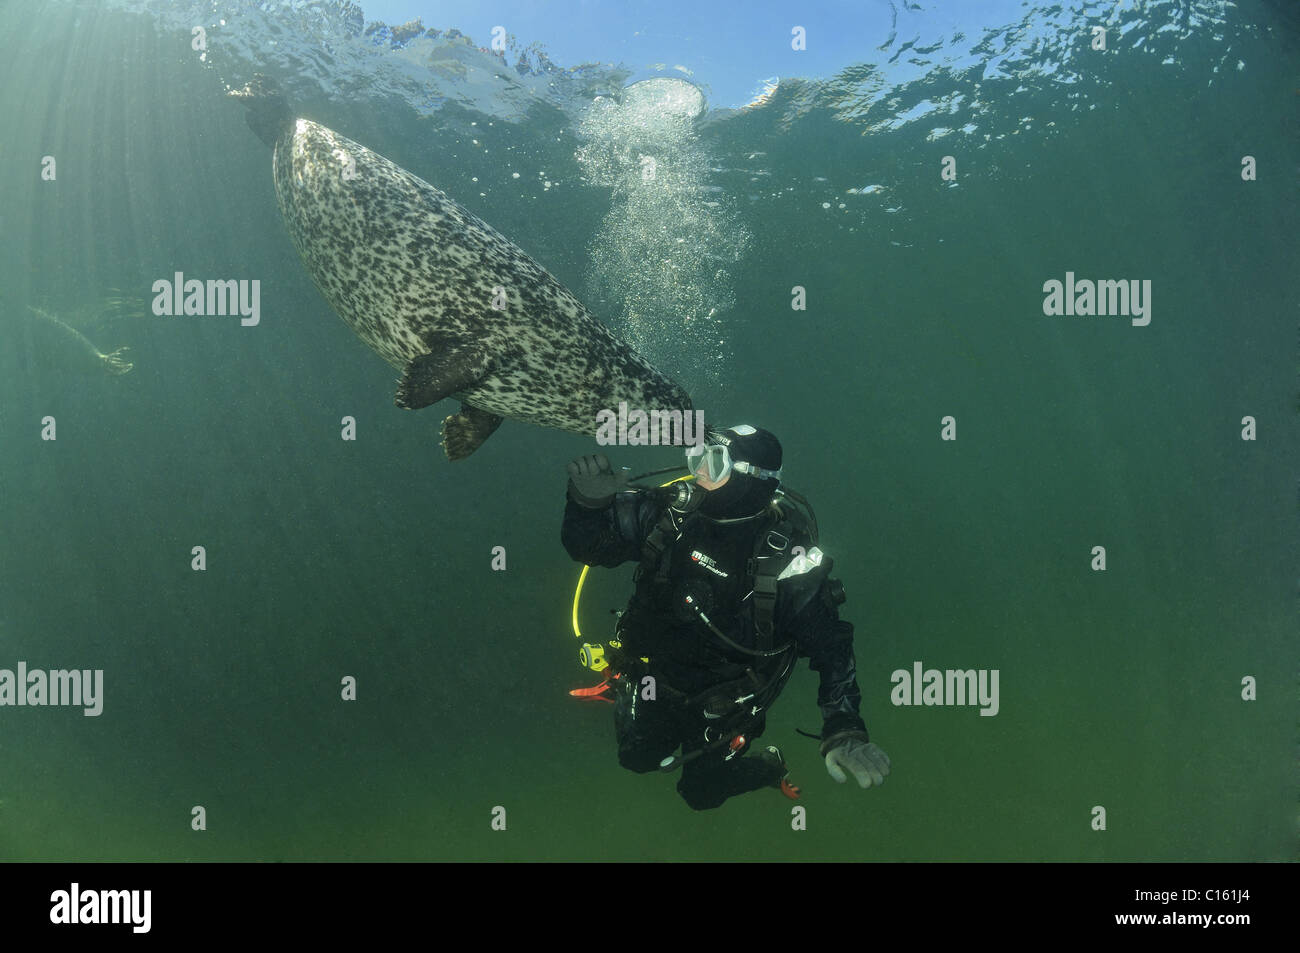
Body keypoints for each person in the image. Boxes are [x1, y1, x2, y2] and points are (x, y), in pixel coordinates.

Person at [561, 424, 890, 810]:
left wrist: (843, 727)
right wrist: (585, 505)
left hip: (724, 704)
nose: (698, 471)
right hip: (656, 675)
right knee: (636, 758)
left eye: (714, 462)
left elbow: (831, 648)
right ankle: (622, 686)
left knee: (700, 793)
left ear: (752, 480)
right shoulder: (670, 515)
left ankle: (770, 767)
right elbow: (591, 548)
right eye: (697, 457)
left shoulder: (787, 562)